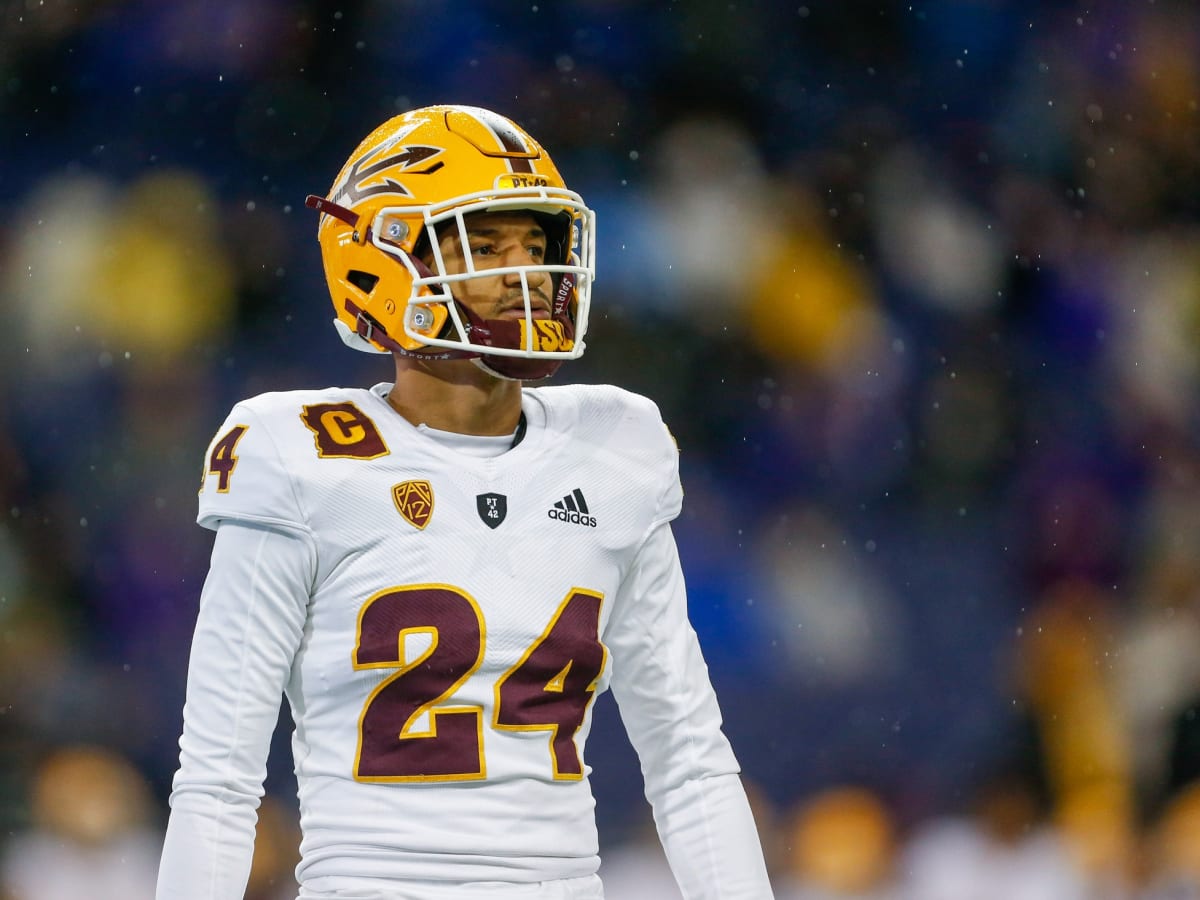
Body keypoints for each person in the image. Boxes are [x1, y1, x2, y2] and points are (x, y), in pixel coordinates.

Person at [156, 104, 774, 900]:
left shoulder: (615, 446)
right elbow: (218, 778)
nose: (527, 274)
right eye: (484, 244)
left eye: (537, 245)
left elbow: (689, 764)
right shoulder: (299, 454)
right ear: (380, 258)